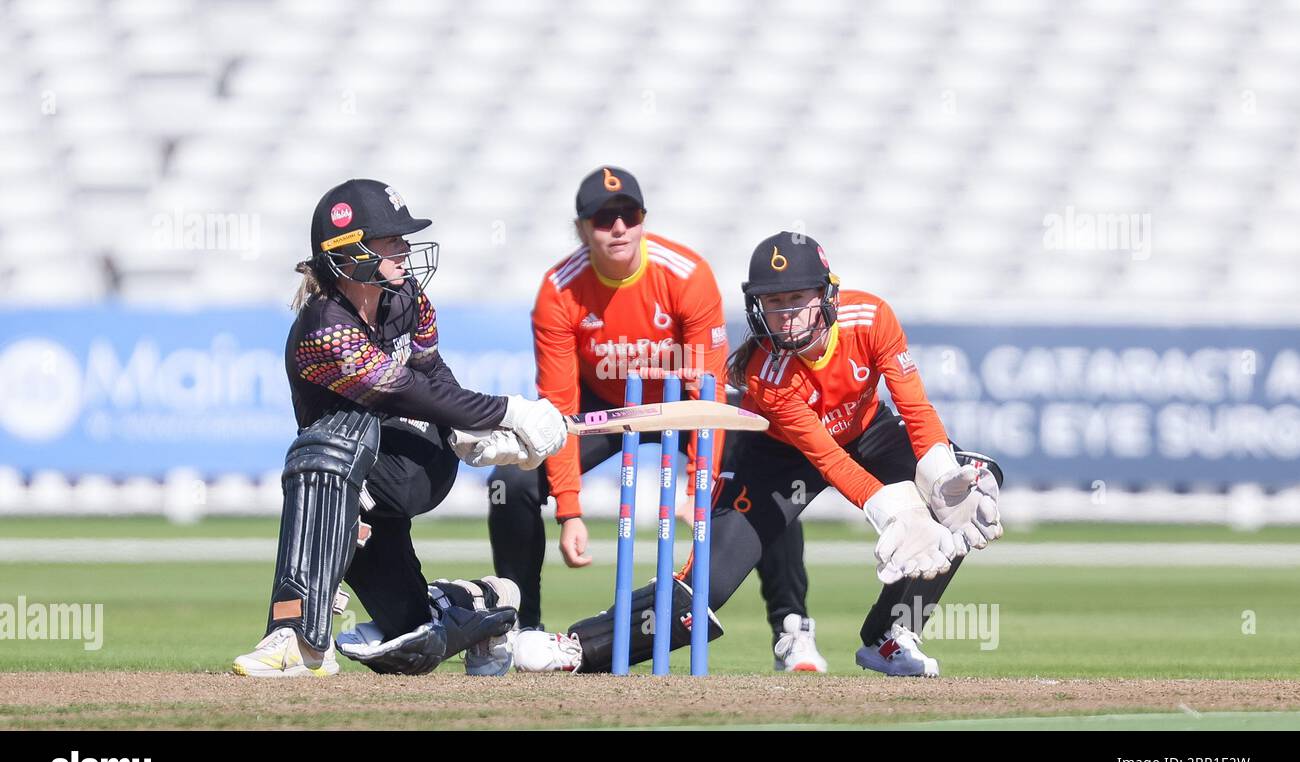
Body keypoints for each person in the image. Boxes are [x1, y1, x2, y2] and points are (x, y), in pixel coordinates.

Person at [514, 231, 1003, 676]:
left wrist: (939, 476)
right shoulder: (764, 375)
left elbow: (915, 408)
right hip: (779, 456)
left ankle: (890, 637)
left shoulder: (871, 317)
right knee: (702, 593)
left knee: (970, 488)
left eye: (797, 300)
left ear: (827, 296)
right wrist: (893, 511)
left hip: (866, 428)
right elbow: (826, 460)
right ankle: (578, 646)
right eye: (774, 303)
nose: (786, 316)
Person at [486, 167, 828, 672]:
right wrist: (570, 511)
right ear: (582, 228)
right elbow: (556, 411)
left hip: (687, 408)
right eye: (604, 219)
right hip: (601, 411)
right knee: (511, 480)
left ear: (643, 220)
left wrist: (699, 483)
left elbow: (704, 390)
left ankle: (791, 629)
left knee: (770, 468)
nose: (619, 227)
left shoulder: (685, 274)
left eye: (630, 215)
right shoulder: (559, 291)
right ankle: (522, 632)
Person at [232, 178, 568, 678]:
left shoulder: (409, 298)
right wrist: (507, 412)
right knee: (410, 644)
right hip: (355, 492)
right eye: (392, 242)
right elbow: (405, 391)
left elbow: (432, 375)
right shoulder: (324, 328)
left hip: (409, 465)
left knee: (323, 447)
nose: (406, 251)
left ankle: (298, 636)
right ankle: (483, 605)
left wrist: (464, 435)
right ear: (352, 252)